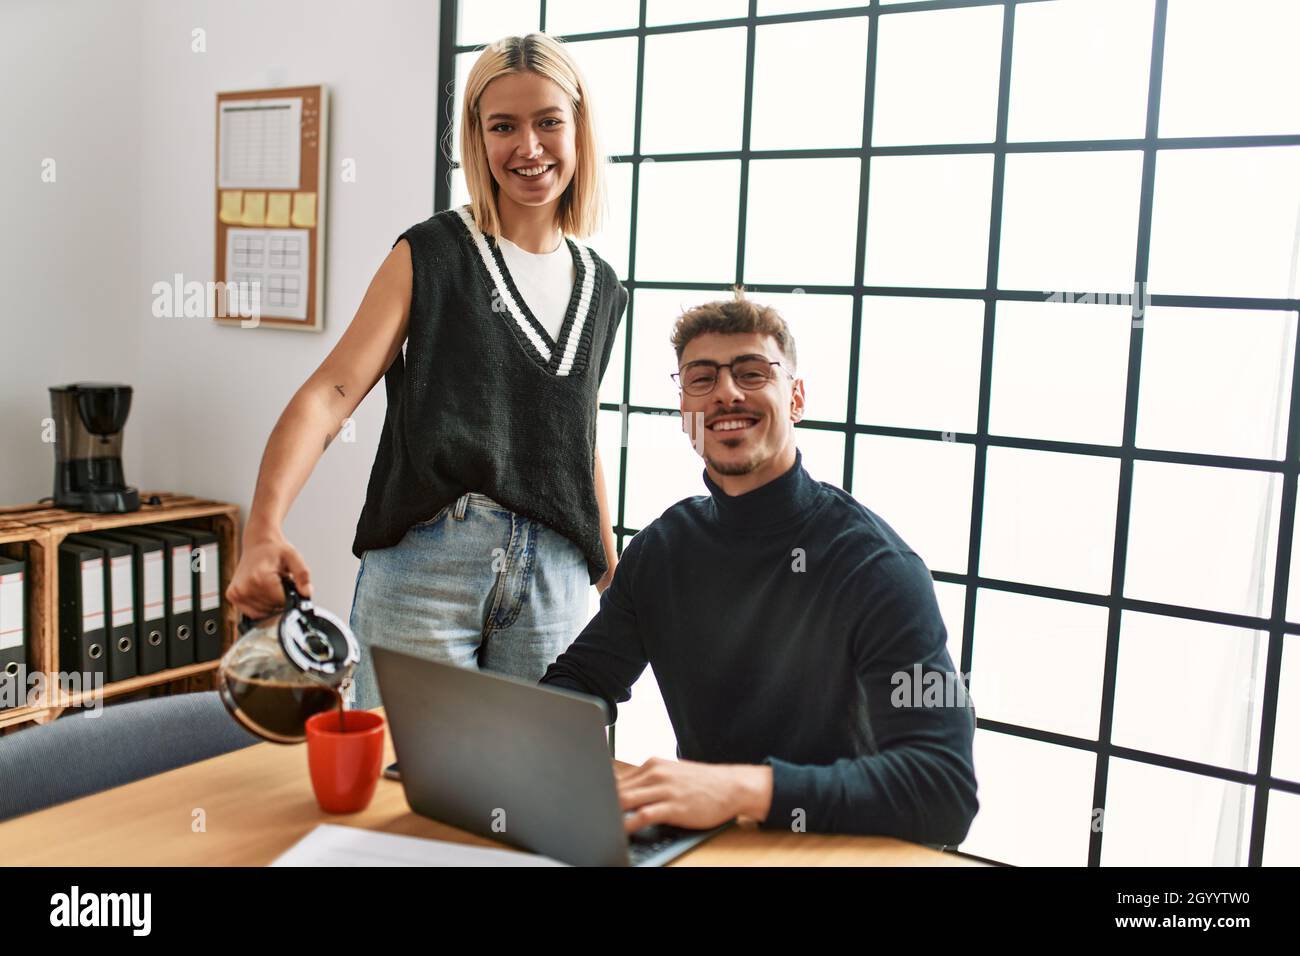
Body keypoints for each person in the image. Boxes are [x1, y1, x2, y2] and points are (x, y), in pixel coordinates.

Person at [226, 33, 628, 711]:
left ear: (579, 127)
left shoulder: (603, 287)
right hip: (427, 571)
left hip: (558, 579)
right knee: (397, 791)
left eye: (548, 122)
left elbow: (574, 436)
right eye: (503, 126)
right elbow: (328, 396)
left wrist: (612, 569)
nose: (528, 147)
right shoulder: (430, 254)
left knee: (536, 799)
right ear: (478, 136)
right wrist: (262, 527)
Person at [541, 289, 979, 845]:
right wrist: (526, 739)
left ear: (795, 398)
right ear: (684, 413)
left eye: (751, 373)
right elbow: (581, 679)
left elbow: (944, 790)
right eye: (701, 379)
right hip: (705, 846)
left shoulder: (877, 567)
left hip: (844, 852)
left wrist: (740, 790)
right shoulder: (663, 551)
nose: (725, 392)